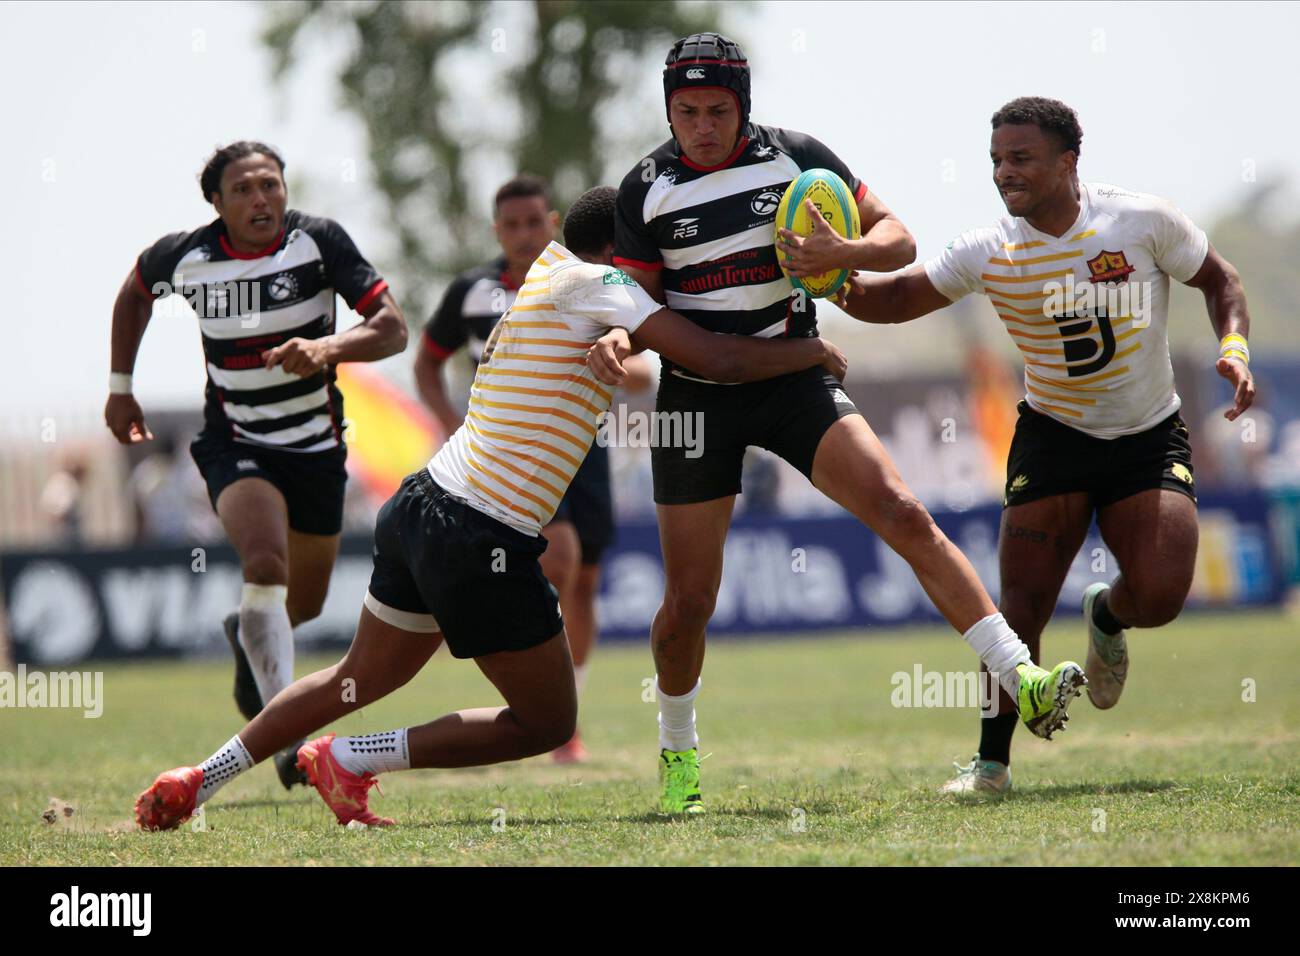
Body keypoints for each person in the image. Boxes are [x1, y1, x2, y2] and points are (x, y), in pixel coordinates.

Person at [134, 186, 853, 831]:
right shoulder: (602, 282)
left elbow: (627, 342)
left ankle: (199, 778)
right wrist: (809, 353)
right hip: (480, 532)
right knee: (546, 720)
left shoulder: (546, 275)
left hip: (422, 501)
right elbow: (716, 359)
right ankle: (348, 757)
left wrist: (625, 335)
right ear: (626, 246)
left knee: (354, 677)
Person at [600, 33, 1086, 814]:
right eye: (685, 111)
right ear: (668, 110)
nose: (701, 126)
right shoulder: (644, 190)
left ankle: (1021, 676)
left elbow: (900, 238)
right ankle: (679, 750)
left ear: (743, 105)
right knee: (689, 600)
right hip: (698, 396)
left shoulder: (797, 158)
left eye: (717, 110)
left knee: (902, 509)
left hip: (794, 378)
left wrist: (844, 248)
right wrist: (619, 337)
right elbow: (638, 306)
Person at [809, 97, 1256, 796]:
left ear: (1067, 161)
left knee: (1162, 595)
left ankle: (1107, 614)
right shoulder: (988, 249)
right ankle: (991, 766)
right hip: (1053, 438)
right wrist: (829, 271)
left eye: (1020, 159)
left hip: (1147, 437)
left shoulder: (1141, 221)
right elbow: (891, 301)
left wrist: (1233, 350)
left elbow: (1219, 280)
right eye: (995, 161)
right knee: (1018, 610)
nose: (1003, 174)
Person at [106, 141, 407, 789]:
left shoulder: (320, 243)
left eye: (270, 184)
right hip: (235, 440)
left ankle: (248, 635)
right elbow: (134, 295)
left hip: (317, 448)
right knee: (265, 563)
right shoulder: (184, 256)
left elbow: (391, 328)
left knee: (305, 599)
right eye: (242, 189)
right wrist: (120, 385)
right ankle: (288, 744)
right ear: (216, 203)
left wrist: (327, 347)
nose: (260, 198)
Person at [414, 175, 650, 763]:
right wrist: (450, 421)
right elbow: (426, 362)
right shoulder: (472, 292)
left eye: (533, 223)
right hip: (515, 450)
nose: (522, 234)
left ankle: (567, 721)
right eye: (510, 225)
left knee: (586, 578)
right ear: (497, 231)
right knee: (560, 556)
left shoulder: (588, 282)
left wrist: (629, 359)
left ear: (551, 224)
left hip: (585, 442)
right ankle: (533, 681)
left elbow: (643, 367)